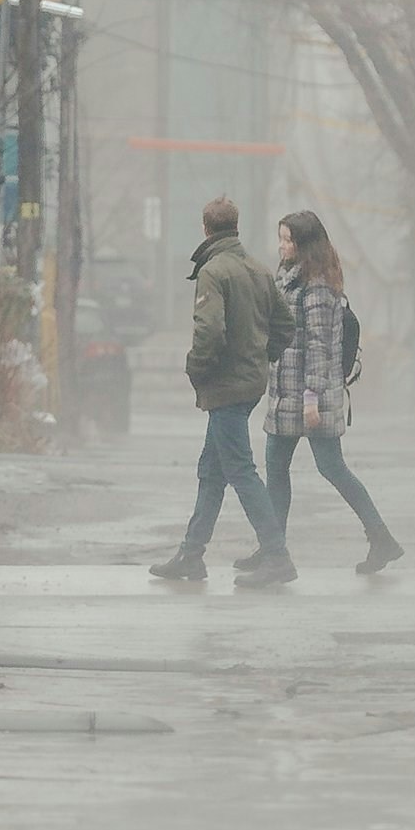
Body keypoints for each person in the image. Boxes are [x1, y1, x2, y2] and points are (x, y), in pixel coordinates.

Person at [149, 196, 291, 587]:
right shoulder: (259, 270)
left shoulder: (214, 271)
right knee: (212, 472)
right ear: (236, 226)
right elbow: (286, 325)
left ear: (205, 228)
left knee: (241, 471)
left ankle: (277, 555)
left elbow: (209, 332)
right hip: (249, 383)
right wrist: (263, 357)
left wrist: (197, 369)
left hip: (226, 386)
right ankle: (191, 554)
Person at [261, 209, 401, 577]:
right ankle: (272, 549)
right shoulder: (291, 279)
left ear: (305, 245)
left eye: (288, 239)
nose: (281, 245)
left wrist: (310, 399)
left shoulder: (317, 286)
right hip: (287, 394)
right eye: (280, 238)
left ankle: (380, 538)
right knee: (276, 469)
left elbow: (321, 347)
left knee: (332, 468)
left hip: (309, 398)